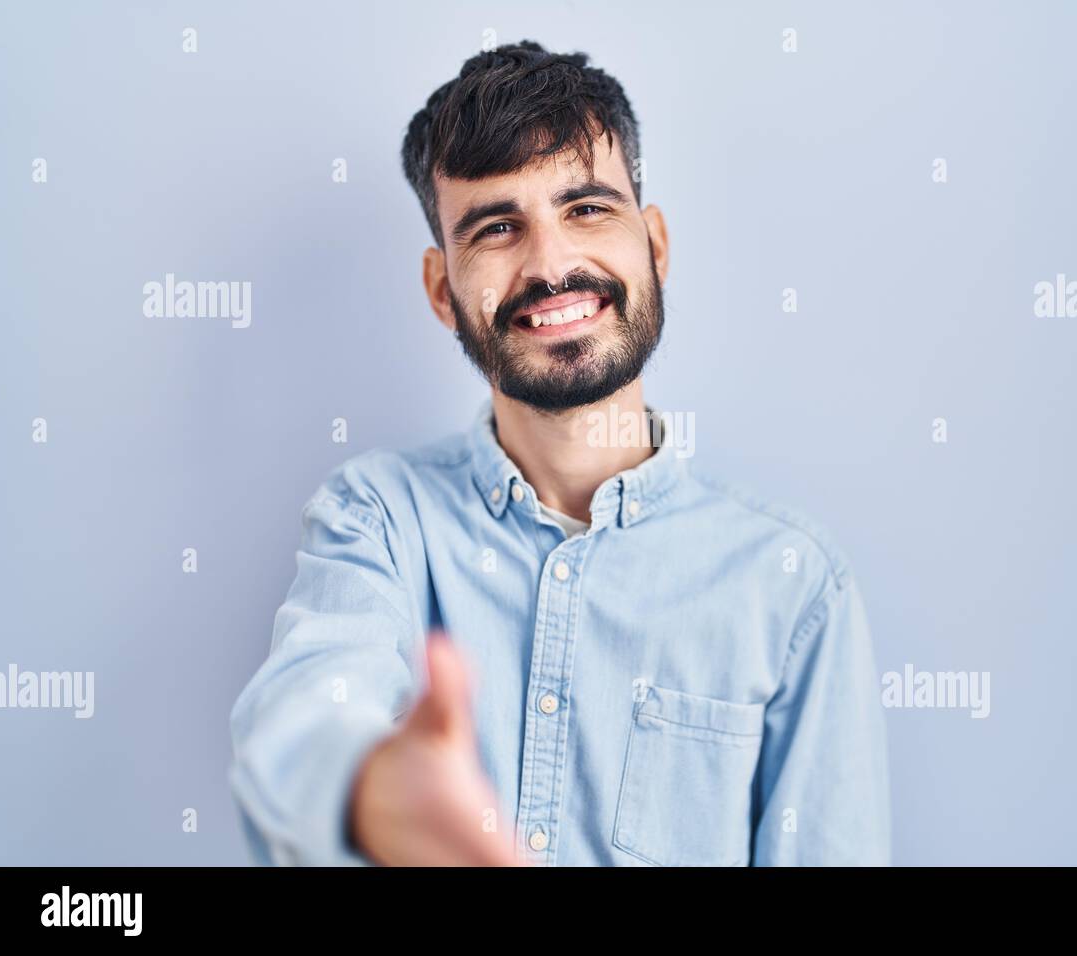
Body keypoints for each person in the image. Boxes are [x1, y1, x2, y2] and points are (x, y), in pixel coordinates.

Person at [228, 40, 890, 867]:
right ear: (443, 290)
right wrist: (370, 791)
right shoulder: (378, 520)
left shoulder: (793, 586)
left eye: (586, 209)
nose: (551, 266)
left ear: (654, 244)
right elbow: (299, 721)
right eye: (498, 227)